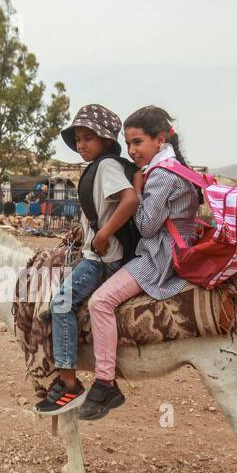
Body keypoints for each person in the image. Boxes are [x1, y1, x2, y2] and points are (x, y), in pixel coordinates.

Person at [80, 106, 202, 421]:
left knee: (100, 302)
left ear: (160, 139)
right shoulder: (175, 168)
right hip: (169, 247)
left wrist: (135, 189)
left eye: (138, 142)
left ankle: (105, 381)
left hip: (159, 256)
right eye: (129, 143)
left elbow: (147, 225)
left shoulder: (161, 174)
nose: (132, 150)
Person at [35, 105, 139, 415]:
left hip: (102, 259)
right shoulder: (99, 166)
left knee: (61, 304)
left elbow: (130, 200)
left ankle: (69, 383)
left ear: (106, 140)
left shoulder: (106, 167)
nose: (81, 145)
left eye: (88, 138)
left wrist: (104, 234)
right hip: (95, 252)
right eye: (78, 139)